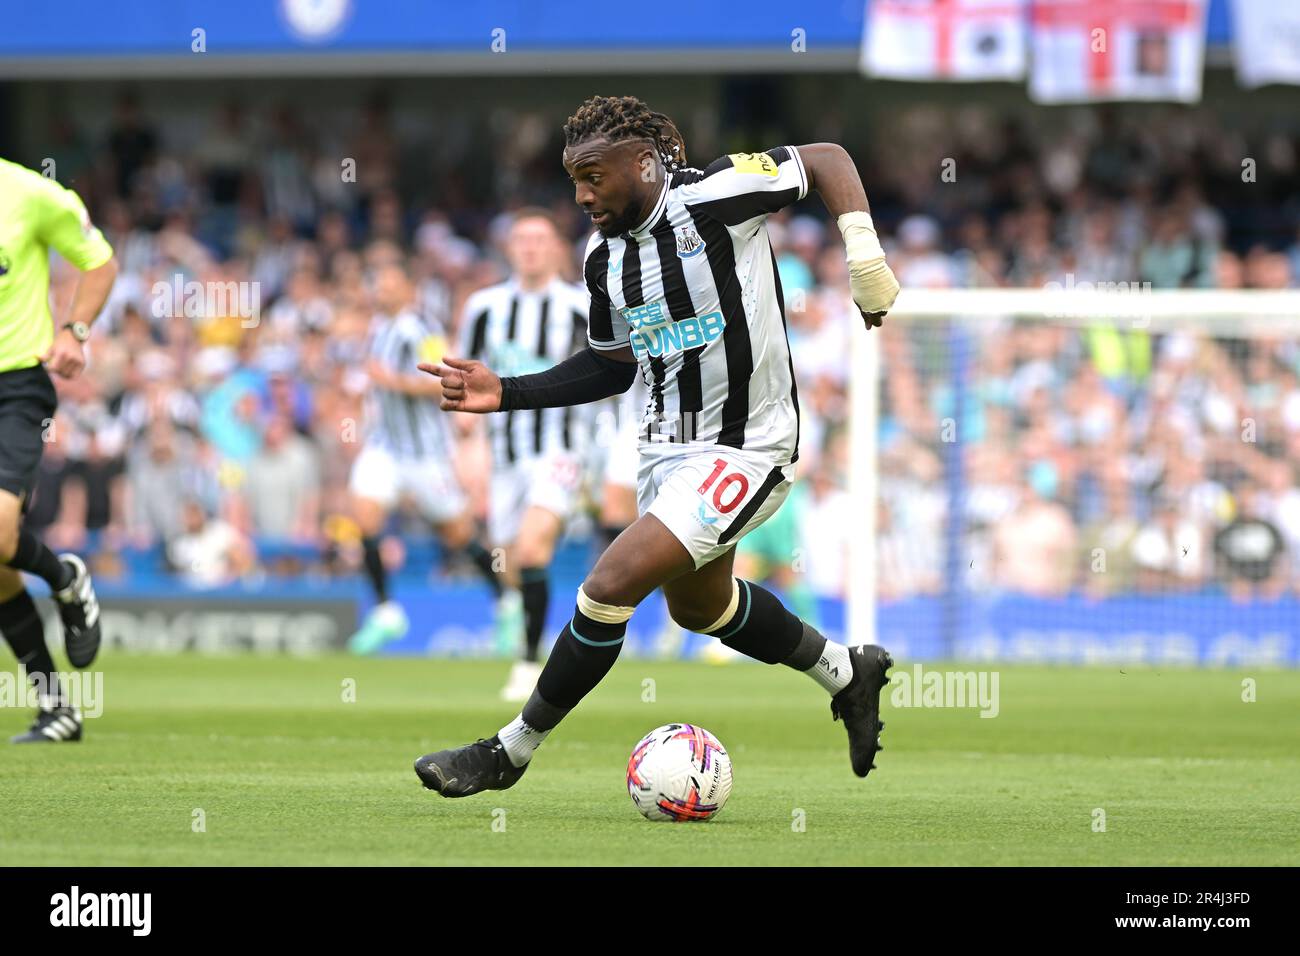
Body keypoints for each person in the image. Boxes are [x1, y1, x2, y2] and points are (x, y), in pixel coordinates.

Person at [413, 95, 900, 798]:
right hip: (665, 452)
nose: (582, 196)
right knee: (701, 610)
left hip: (749, 446)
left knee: (607, 587)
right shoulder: (603, 260)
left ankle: (507, 753)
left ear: (643, 162)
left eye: (595, 177)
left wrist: (863, 255)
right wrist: (508, 391)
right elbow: (613, 365)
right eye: (574, 180)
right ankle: (848, 673)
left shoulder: (718, 196)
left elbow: (826, 160)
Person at [0, 158, 115, 743]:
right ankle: (58, 709)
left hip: (14, 384)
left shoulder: (28, 192)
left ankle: (65, 576)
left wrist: (74, 331)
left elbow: (99, 261)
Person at [457, 210, 591, 700]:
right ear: (509, 249)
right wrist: (466, 437)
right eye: (521, 239)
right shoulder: (485, 307)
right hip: (505, 454)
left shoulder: (581, 306)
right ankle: (516, 613)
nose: (531, 248)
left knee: (534, 549)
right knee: (509, 560)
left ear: (557, 248)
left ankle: (529, 661)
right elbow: (466, 374)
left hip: (560, 448)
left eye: (540, 239)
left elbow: (608, 376)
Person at [345, 261, 502, 654]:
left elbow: (444, 383)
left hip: (426, 454)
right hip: (386, 446)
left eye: (388, 284)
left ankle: (506, 600)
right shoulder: (379, 328)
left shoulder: (422, 329)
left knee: (458, 534)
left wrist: (390, 381)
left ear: (408, 289)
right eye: (377, 285)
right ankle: (385, 611)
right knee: (363, 514)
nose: (380, 291)